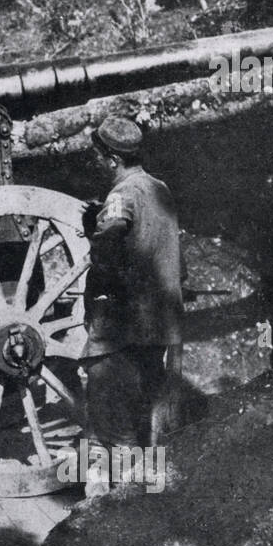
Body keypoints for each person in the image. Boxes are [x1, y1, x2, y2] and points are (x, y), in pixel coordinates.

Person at [80, 116, 183, 488]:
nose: (94, 162)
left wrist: (97, 239)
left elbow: (108, 242)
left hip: (121, 328)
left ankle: (109, 510)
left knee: (111, 426)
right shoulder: (160, 189)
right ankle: (139, 502)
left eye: (97, 156)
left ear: (111, 159)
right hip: (156, 327)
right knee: (143, 423)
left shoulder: (122, 194)